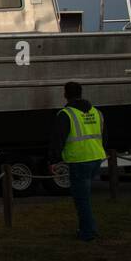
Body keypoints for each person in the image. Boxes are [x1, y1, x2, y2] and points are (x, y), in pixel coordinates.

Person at [49, 81, 107, 242]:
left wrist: (53, 160)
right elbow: (104, 136)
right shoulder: (96, 112)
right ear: (81, 93)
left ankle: (88, 232)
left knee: (82, 200)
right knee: (85, 197)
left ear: (65, 94)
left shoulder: (66, 114)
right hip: (96, 158)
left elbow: (58, 139)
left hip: (79, 160)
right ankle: (86, 229)